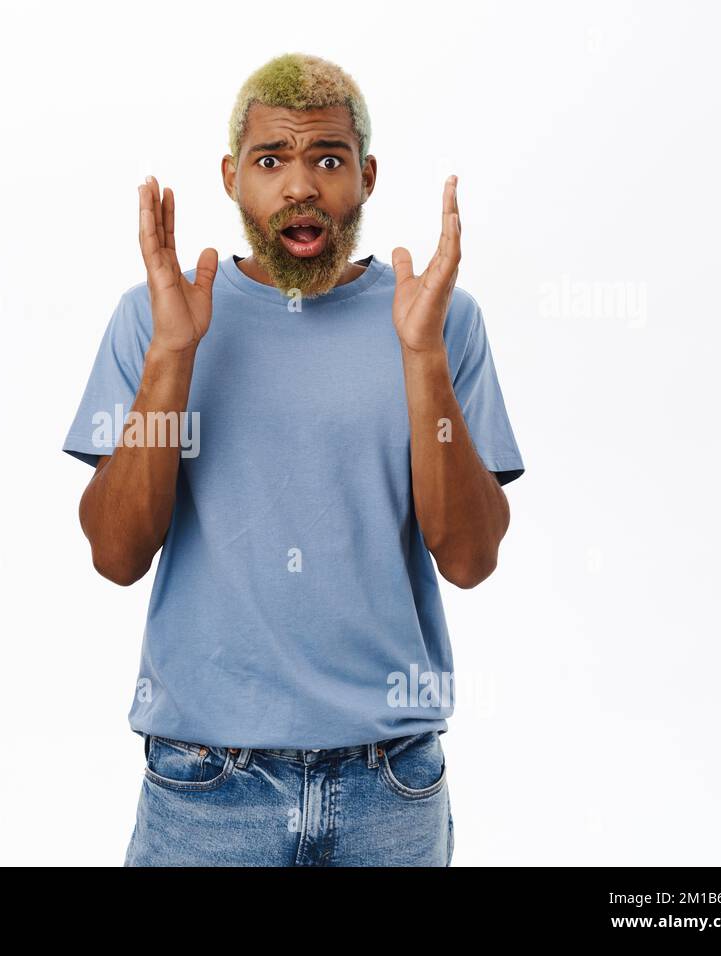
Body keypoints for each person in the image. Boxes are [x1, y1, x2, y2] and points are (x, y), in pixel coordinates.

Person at [61, 52, 524, 866]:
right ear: (234, 178)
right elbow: (115, 554)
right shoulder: (156, 315)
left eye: (328, 159)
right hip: (204, 787)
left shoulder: (441, 320)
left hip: (391, 788)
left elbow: (472, 558)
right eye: (271, 160)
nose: (300, 186)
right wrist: (174, 353)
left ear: (367, 177)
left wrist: (420, 358)